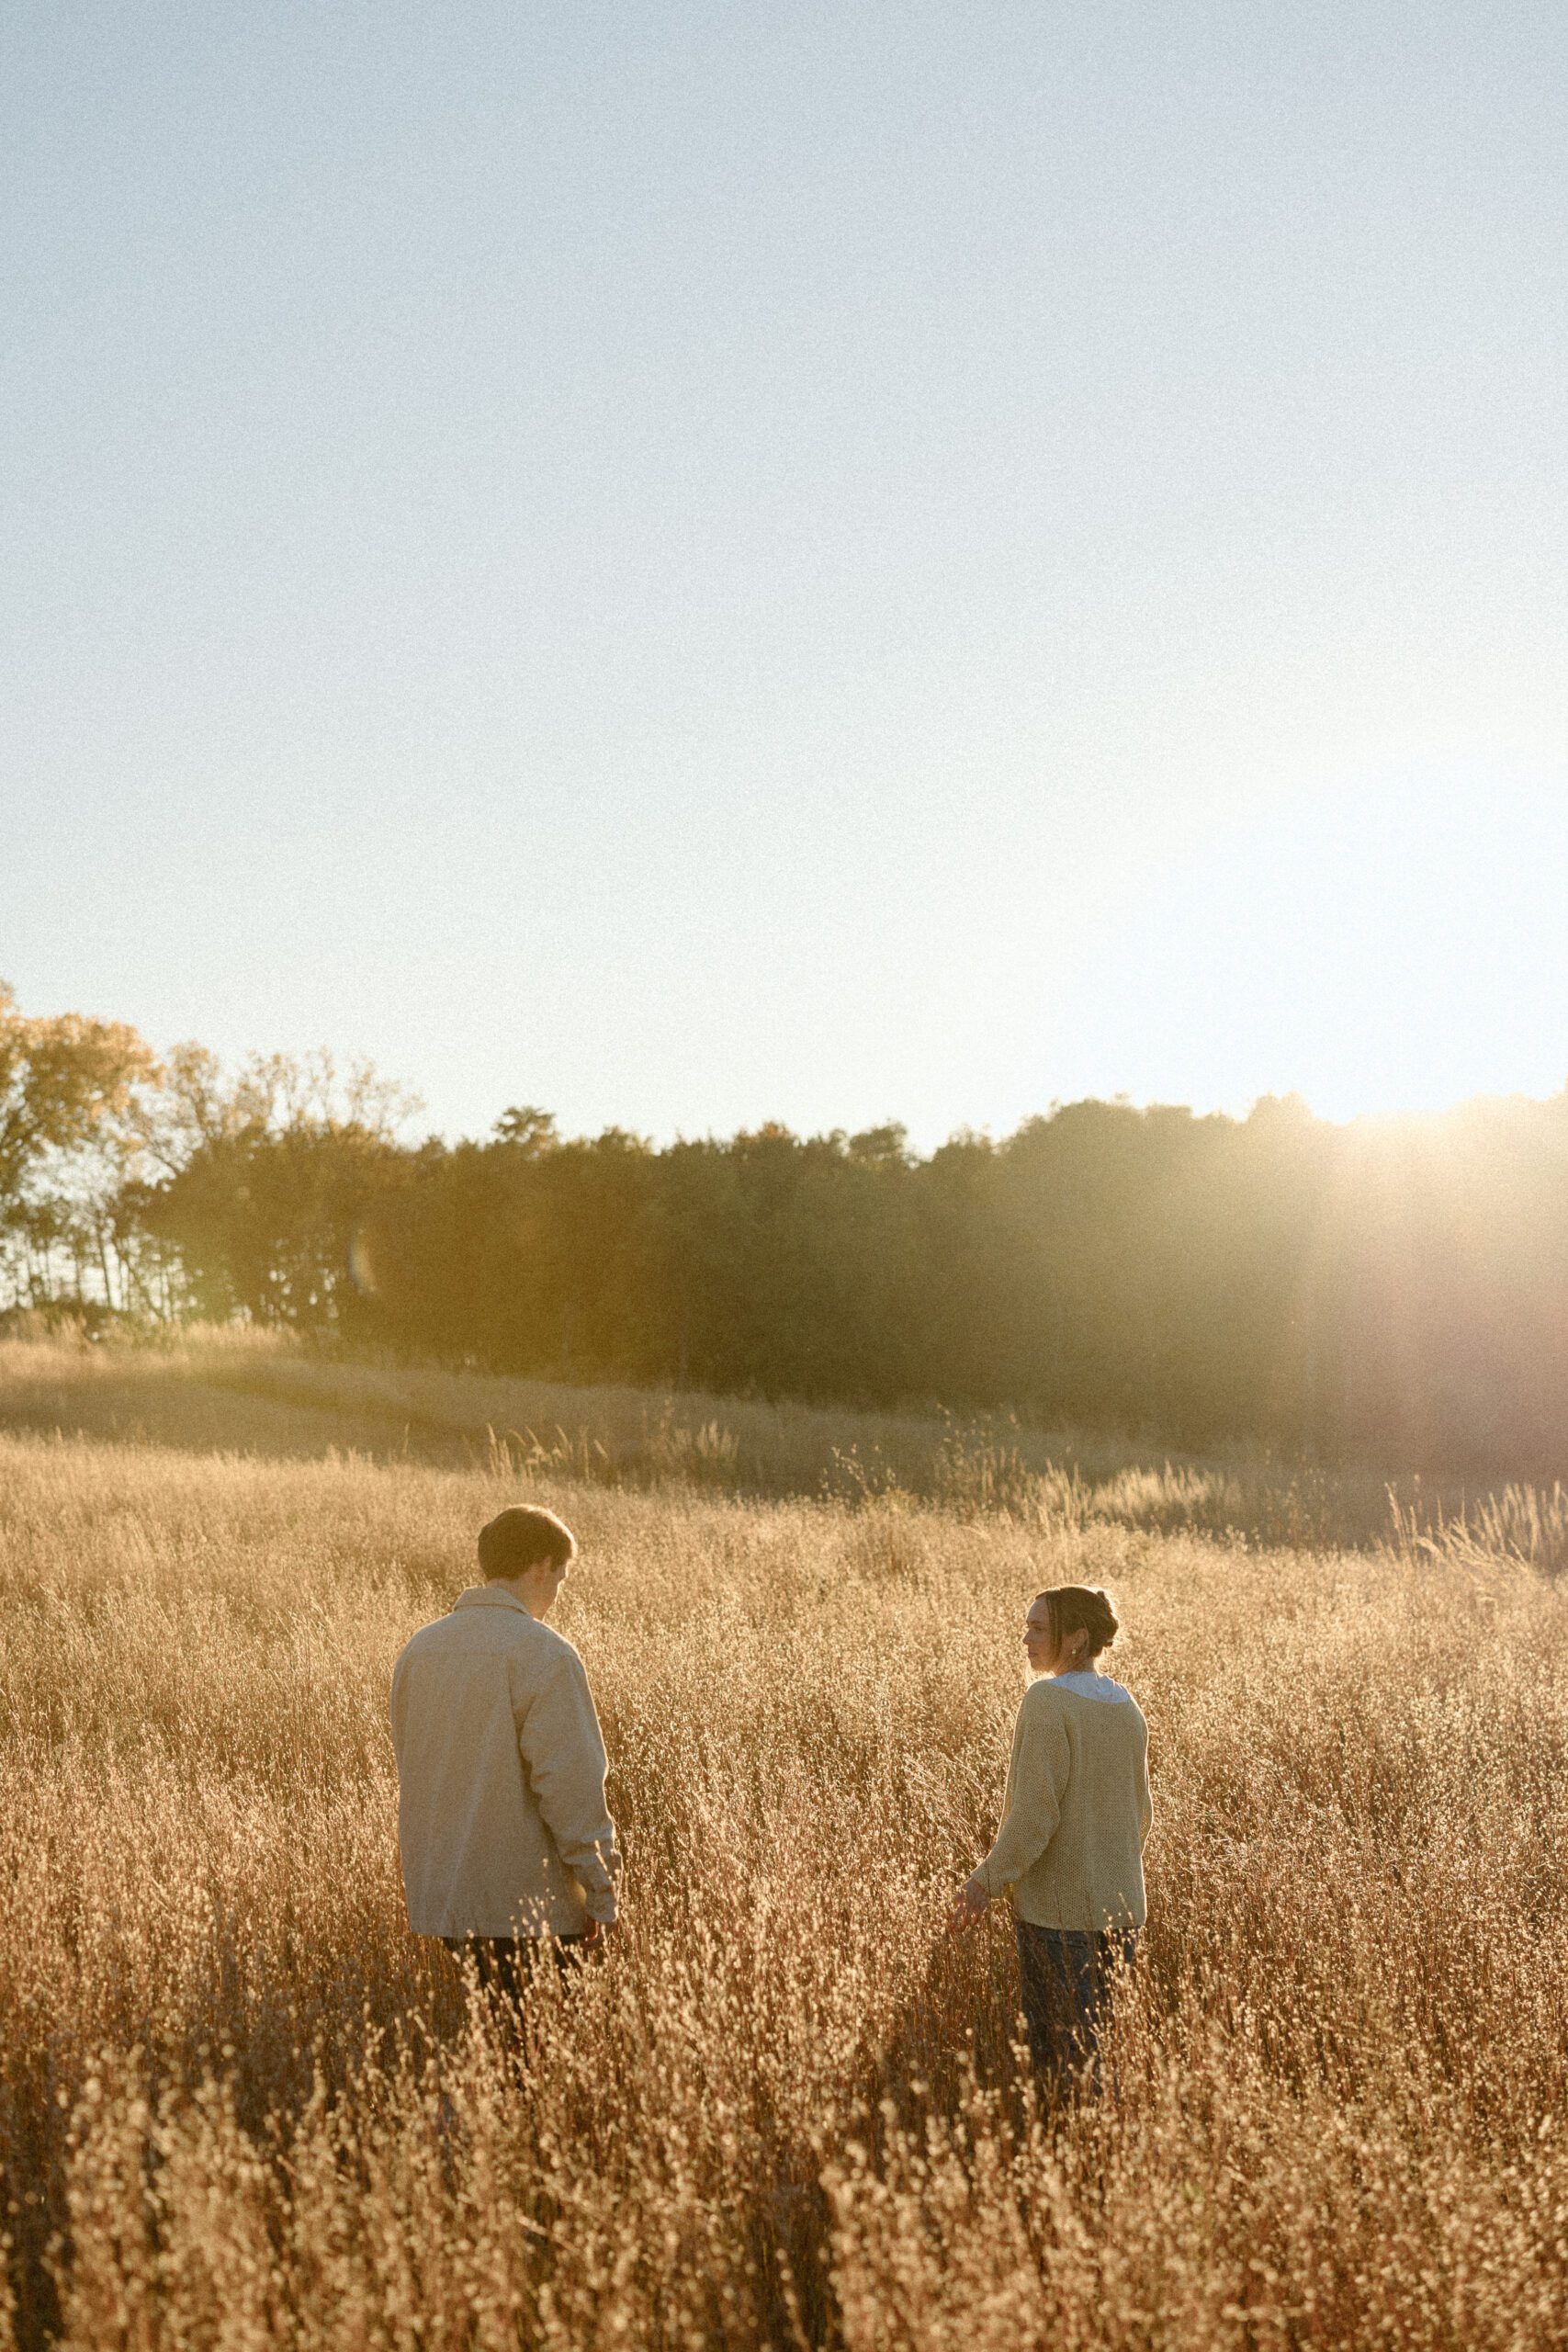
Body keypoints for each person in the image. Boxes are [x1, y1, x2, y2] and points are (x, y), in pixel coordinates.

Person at [390, 1504, 622, 2005]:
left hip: (447, 1900)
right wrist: (603, 1895)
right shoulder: (546, 1654)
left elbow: (415, 1766)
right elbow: (572, 1788)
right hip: (533, 1907)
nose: (559, 1591)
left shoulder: (420, 1650)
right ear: (540, 1565)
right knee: (534, 2058)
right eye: (561, 1576)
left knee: (487, 2047)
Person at [950, 1584, 1151, 2095]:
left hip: (1059, 1917)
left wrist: (984, 1883)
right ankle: (1096, 2161)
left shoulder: (1046, 1701)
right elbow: (1141, 1816)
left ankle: (1065, 2162)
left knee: (1057, 2065)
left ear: (1077, 1638)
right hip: (1122, 1912)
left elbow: (1035, 1816)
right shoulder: (1127, 1707)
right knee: (1093, 2054)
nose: (1026, 1639)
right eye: (1028, 1626)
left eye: (1040, 1628)